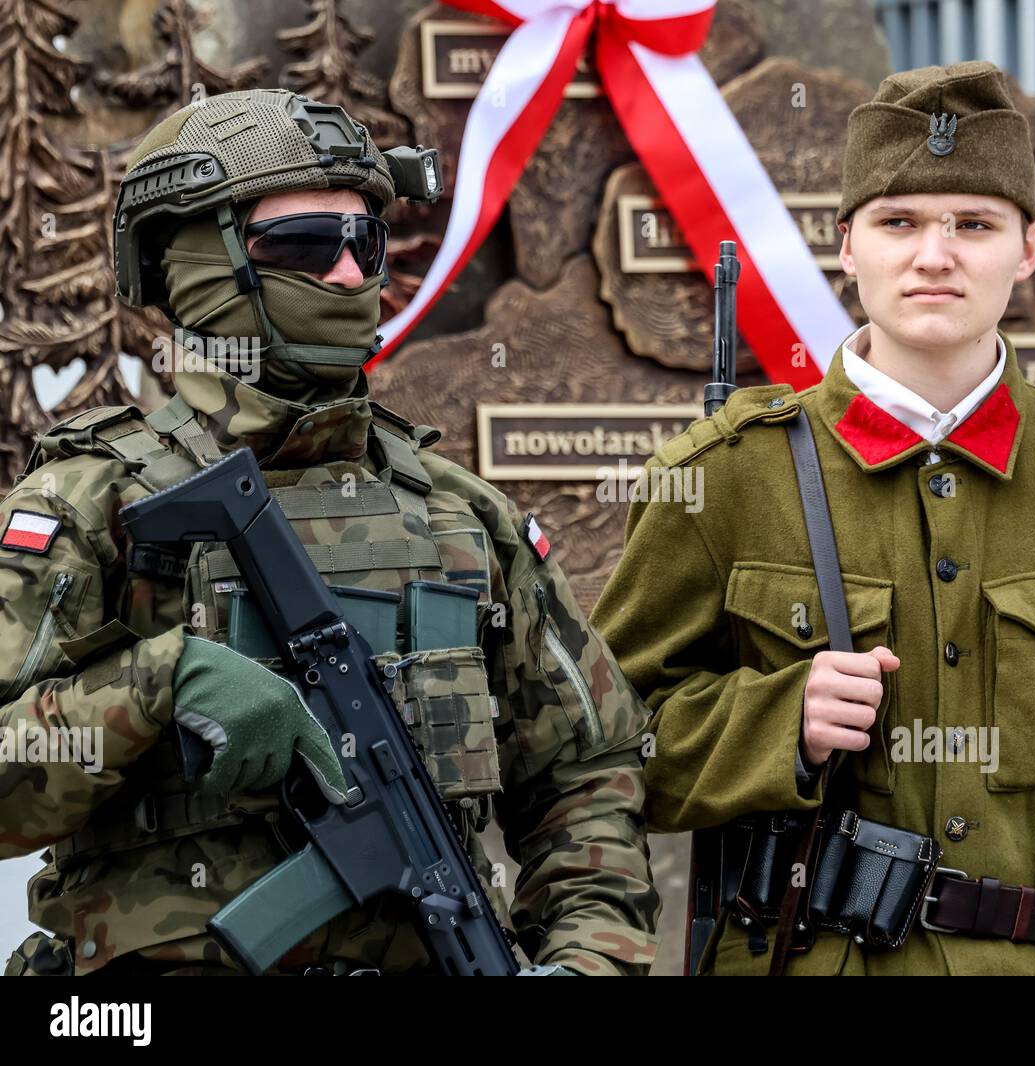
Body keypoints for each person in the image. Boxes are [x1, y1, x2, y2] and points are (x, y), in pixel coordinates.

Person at [591, 60, 1035, 976]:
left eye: (973, 225)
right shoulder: (725, 479)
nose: (934, 256)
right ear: (846, 243)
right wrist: (777, 719)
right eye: (899, 222)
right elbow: (600, 756)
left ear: (1029, 249)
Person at [0, 88, 659, 976]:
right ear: (197, 259)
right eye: (306, 244)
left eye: (366, 242)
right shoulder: (94, 505)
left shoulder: (462, 517)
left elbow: (589, 779)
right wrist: (156, 681)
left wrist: (585, 963)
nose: (351, 275)